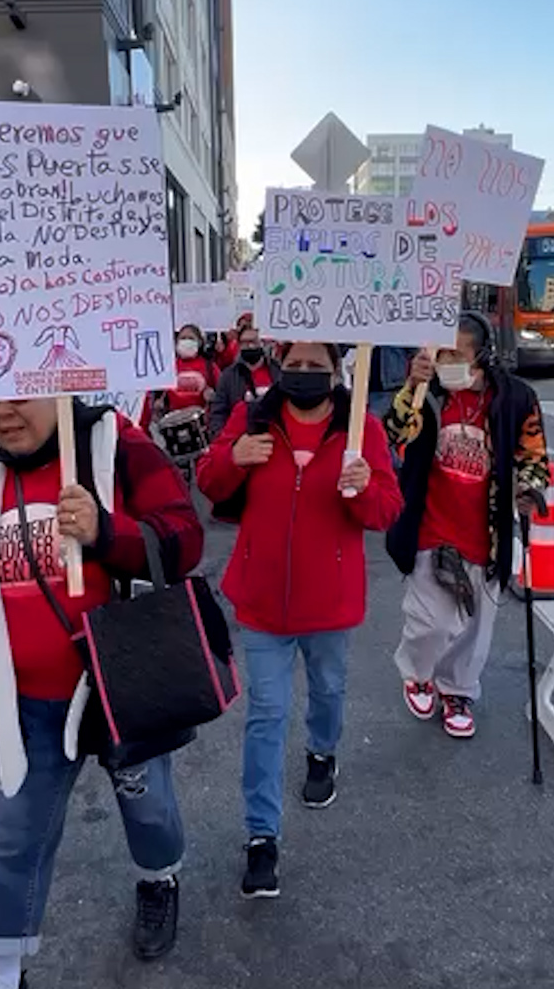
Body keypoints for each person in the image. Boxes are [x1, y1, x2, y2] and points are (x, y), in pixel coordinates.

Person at [0, 398, 204, 989]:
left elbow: (185, 537)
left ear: (58, 388)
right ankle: (2, 969)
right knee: (15, 834)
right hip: (27, 700)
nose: (3, 416)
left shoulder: (116, 443)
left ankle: (158, 879)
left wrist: (106, 531)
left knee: (148, 808)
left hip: (125, 687)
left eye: (18, 399)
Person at [196, 342, 402, 900]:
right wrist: (232, 458)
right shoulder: (252, 417)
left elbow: (386, 510)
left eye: (317, 367)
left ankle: (322, 751)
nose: (303, 374)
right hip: (262, 601)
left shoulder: (363, 430)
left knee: (328, 689)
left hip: (329, 602)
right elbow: (210, 483)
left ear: (337, 373)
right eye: (295, 364)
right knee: (266, 713)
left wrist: (362, 489)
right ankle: (261, 837)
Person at [384, 313, 550, 738]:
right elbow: (393, 434)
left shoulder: (515, 399)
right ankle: (419, 671)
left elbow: (533, 454)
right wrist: (412, 387)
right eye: (440, 354)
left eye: (456, 354)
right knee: (432, 621)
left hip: (486, 532)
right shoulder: (429, 394)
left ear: (482, 356)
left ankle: (457, 690)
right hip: (430, 525)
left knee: (476, 627)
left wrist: (529, 490)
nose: (446, 362)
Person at [206, 324, 279, 439]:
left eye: (253, 341)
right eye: (244, 342)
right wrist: (224, 440)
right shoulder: (228, 376)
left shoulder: (277, 371)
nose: (249, 346)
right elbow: (218, 413)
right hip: (241, 441)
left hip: (274, 438)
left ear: (262, 343)